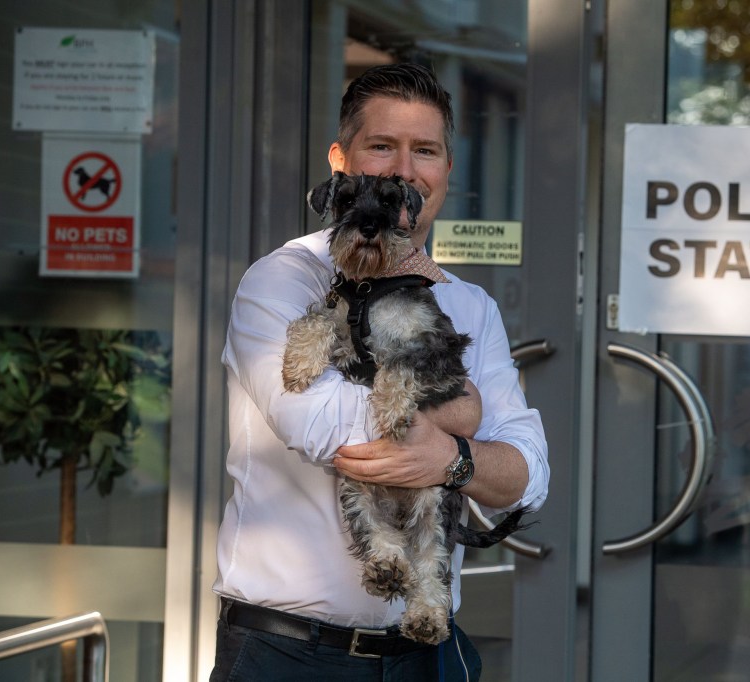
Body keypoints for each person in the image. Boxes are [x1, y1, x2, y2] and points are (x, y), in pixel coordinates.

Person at [209, 62, 550, 681]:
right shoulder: (282, 280)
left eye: (425, 150)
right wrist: (462, 413)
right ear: (340, 162)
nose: (402, 169)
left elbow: (527, 476)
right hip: (288, 654)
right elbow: (322, 426)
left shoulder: (472, 305)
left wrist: (453, 461)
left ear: (444, 172)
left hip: (426, 654)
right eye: (381, 147)